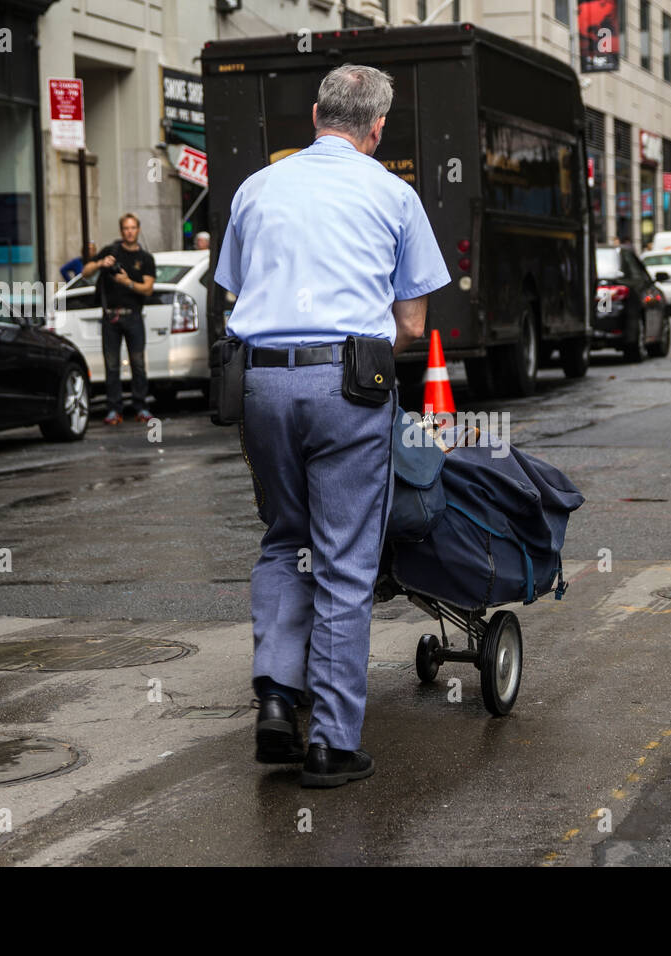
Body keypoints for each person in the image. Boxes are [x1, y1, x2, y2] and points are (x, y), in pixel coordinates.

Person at [215, 63, 449, 788]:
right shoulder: (394, 194)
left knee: (286, 541)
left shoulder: (257, 186)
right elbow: (411, 321)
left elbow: (232, 293)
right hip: (349, 383)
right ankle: (333, 744)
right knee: (345, 561)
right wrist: (362, 356)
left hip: (261, 380)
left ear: (316, 115)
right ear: (377, 129)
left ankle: (278, 704)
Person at [82, 214, 156, 425]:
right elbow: (85, 273)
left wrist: (127, 282)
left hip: (133, 316)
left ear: (138, 229)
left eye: (133, 228)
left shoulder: (146, 258)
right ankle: (114, 410)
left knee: (138, 363)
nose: (129, 231)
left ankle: (141, 407)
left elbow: (148, 289)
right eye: (125, 228)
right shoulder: (111, 251)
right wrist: (99, 263)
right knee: (112, 365)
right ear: (121, 230)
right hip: (110, 317)